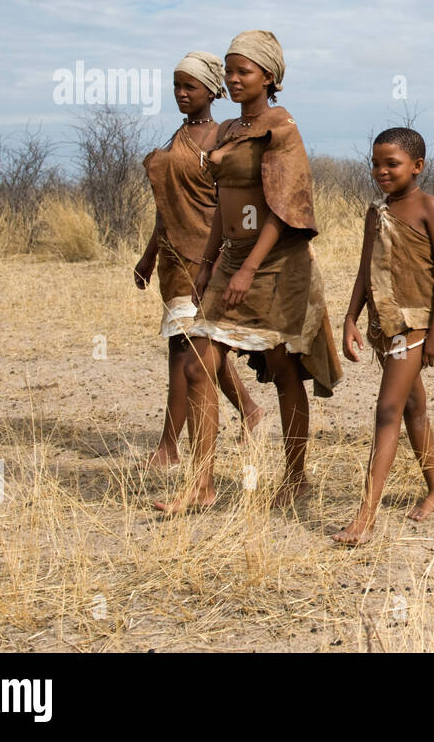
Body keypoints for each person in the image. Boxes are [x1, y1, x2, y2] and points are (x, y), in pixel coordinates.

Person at [155, 30, 342, 514]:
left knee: (283, 370)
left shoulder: (281, 127)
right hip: (232, 260)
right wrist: (212, 263)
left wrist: (249, 268)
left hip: (276, 261)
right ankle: (201, 485)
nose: (234, 79)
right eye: (230, 71)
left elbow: (285, 207)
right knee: (199, 364)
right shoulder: (229, 132)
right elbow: (223, 205)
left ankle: (296, 477)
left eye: (244, 71)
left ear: (270, 77)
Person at [135, 52, 262, 468]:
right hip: (173, 259)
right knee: (195, 349)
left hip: (205, 257)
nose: (181, 93)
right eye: (176, 85)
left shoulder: (221, 137)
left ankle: (170, 446)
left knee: (188, 351)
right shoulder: (178, 138)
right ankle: (248, 411)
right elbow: (166, 207)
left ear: (213, 90)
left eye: (190, 86)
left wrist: (229, 258)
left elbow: (233, 201)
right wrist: (149, 256)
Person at [338, 127, 434, 545]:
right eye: (375, 163)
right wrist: (351, 318)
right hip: (383, 325)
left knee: (387, 411)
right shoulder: (376, 213)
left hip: (415, 325)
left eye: (392, 164)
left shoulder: (430, 208)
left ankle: (365, 517)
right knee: (412, 408)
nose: (381, 171)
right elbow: (364, 270)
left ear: (418, 167)